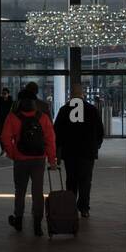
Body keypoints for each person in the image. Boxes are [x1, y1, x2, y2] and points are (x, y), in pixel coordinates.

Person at [1, 87, 58, 236]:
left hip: (21, 159)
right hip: (39, 159)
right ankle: (37, 225)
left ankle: (18, 220)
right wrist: (52, 159)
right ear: (34, 102)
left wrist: (13, 153)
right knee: (37, 192)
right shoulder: (43, 117)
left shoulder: (13, 117)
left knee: (20, 191)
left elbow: (5, 138)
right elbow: (50, 140)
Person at [53, 84, 104, 219]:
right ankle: (84, 208)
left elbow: (56, 132)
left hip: (70, 152)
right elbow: (100, 131)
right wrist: (96, 145)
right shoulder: (92, 110)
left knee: (71, 180)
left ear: (71, 95)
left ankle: (70, 207)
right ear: (83, 95)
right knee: (85, 180)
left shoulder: (64, 110)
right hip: (87, 152)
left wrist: (57, 151)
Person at [0, 88, 14, 157]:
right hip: (1, 121)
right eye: (2, 93)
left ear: (8, 94)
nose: (4, 95)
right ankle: (3, 148)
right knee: (1, 136)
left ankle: (8, 149)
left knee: (9, 136)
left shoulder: (11, 102)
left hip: (9, 121)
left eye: (5, 93)